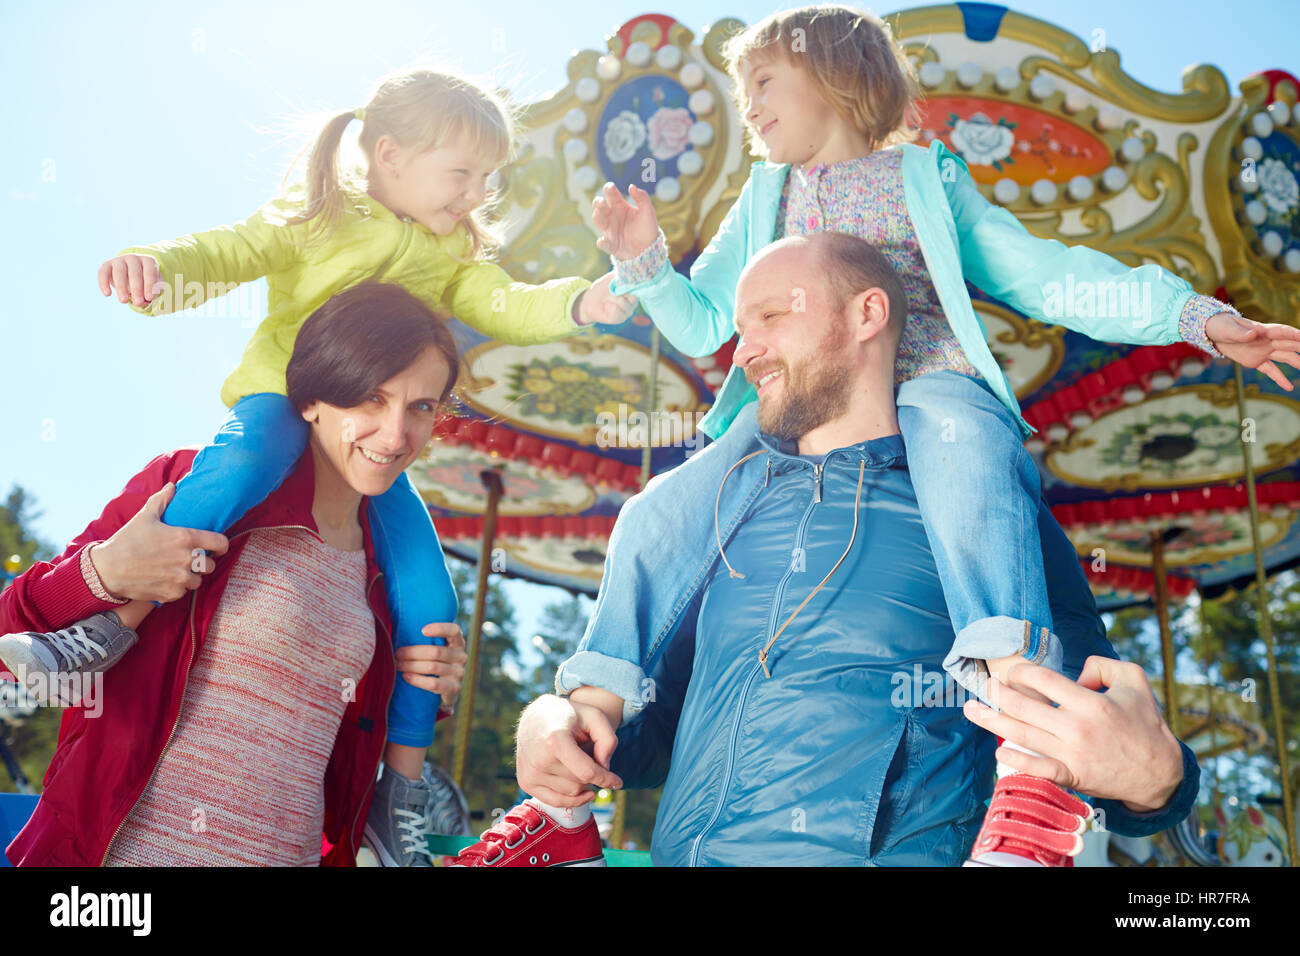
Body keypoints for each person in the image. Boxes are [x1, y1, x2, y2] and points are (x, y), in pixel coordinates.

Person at [559, 4, 1293, 865]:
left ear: (835, 75)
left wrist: (1192, 317)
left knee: (966, 451)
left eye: (761, 82)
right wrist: (645, 262)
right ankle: (592, 685)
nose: (746, 106)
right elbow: (699, 324)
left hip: (932, 375)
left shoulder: (924, 175)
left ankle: (1011, 687)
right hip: (769, 448)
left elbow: (1045, 276)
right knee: (659, 506)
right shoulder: (762, 196)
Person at [0, 67, 634, 864]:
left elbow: (507, 303)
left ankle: (400, 794)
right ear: (393, 155)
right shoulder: (319, 221)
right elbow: (229, 251)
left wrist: (583, 301)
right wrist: (156, 270)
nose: (476, 194)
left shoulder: (448, 258)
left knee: (433, 598)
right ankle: (108, 629)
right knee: (240, 468)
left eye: (420, 407)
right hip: (117, 869)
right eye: (462, 173)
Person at [450, 233, 1198, 867]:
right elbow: (645, 745)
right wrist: (548, 725)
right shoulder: (715, 520)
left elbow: (1094, 732)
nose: (746, 351)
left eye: (773, 316)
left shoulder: (981, 511)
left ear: (868, 314)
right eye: (742, 328)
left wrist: (1159, 780)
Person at [0, 283, 470, 866]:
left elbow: (335, 733)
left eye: (420, 407)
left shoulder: (392, 571)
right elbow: (9, 631)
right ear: (313, 397)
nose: (396, 435)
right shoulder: (189, 484)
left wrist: (425, 685)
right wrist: (102, 574)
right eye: (370, 400)